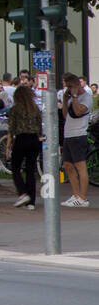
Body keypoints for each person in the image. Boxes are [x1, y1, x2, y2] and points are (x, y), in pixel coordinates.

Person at [7, 81, 42, 210]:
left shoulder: (15, 109)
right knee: (30, 170)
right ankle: (31, 202)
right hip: (34, 139)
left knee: (15, 167)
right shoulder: (35, 109)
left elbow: (11, 128)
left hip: (21, 139)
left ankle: (22, 193)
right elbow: (39, 125)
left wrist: (8, 146)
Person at [59, 73, 92, 207]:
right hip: (68, 134)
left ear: (77, 84)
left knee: (80, 166)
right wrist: (66, 98)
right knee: (68, 165)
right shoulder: (71, 98)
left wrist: (74, 96)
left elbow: (78, 112)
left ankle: (83, 197)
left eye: (70, 86)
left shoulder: (86, 97)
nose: (69, 88)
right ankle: (76, 194)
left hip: (79, 135)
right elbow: (66, 115)